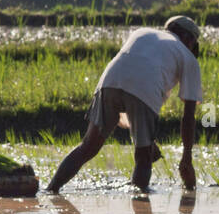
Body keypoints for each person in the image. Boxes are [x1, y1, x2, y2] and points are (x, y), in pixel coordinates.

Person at [46, 16, 203, 193]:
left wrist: (149, 140)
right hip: (145, 91)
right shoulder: (188, 57)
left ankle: (51, 190)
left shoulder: (142, 33)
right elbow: (188, 115)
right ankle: (141, 209)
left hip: (109, 82)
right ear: (189, 40)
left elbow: (129, 84)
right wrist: (186, 158)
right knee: (143, 158)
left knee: (88, 146)